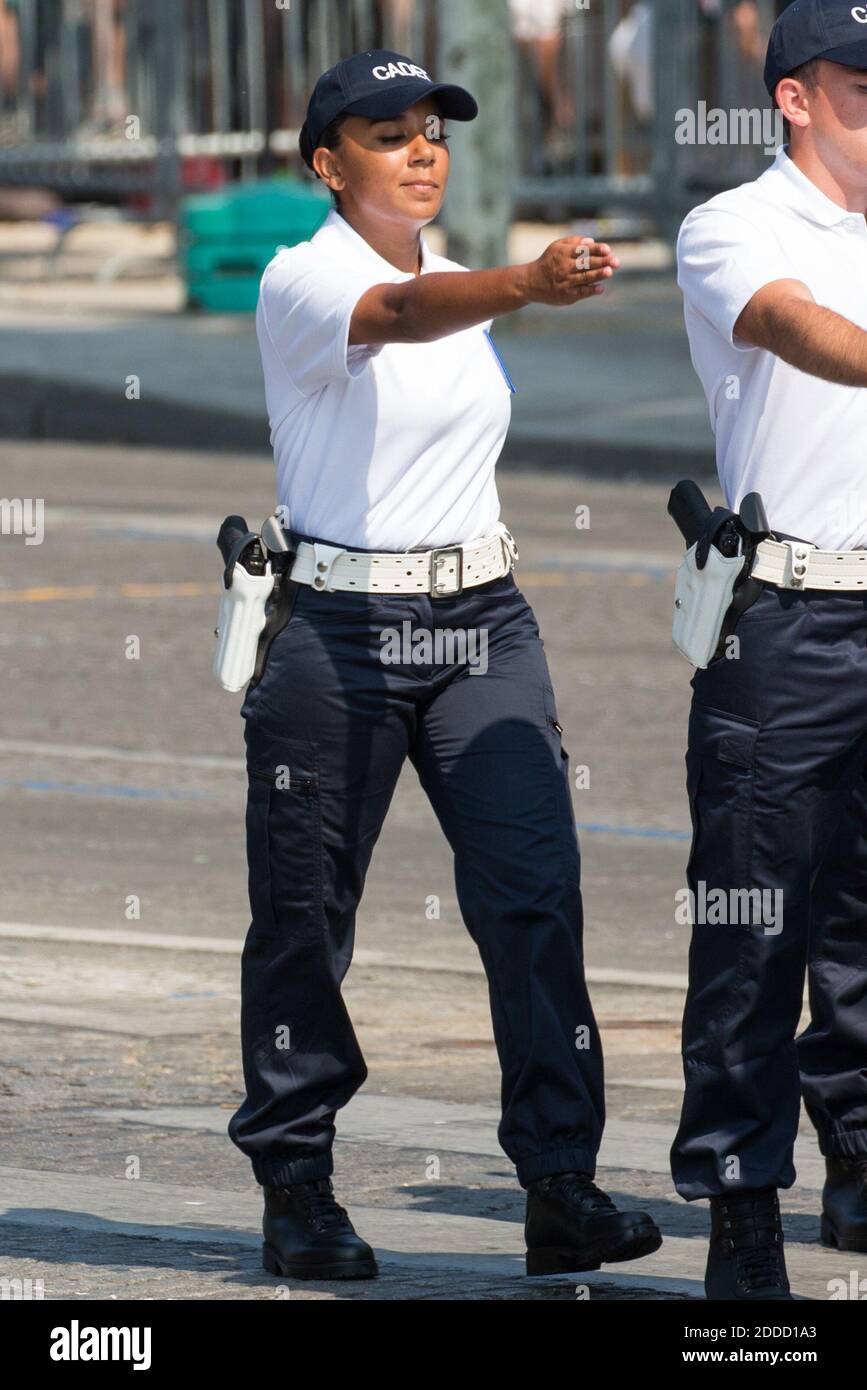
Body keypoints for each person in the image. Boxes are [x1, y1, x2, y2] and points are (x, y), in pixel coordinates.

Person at [227, 48, 663, 1282]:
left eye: (433, 129)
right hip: (339, 632)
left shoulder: (451, 280)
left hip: (481, 623)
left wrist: (504, 283)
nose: (422, 150)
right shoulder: (306, 280)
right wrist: (524, 279)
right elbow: (404, 317)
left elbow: (441, 313)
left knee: (534, 896)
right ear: (327, 163)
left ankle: (560, 1184)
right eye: (386, 134)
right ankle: (297, 1185)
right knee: (306, 918)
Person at [672, 0, 867, 1301]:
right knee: (754, 914)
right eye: (858, 83)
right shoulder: (730, 222)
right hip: (787, 612)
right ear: (791, 96)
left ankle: (857, 1161)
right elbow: (787, 323)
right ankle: (740, 1199)